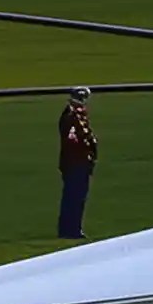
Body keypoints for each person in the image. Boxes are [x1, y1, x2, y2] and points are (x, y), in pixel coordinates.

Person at [57, 87, 98, 239]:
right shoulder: (71, 115)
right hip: (75, 162)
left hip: (79, 161)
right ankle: (70, 229)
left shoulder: (76, 114)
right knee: (73, 196)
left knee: (76, 196)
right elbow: (74, 139)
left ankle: (72, 227)